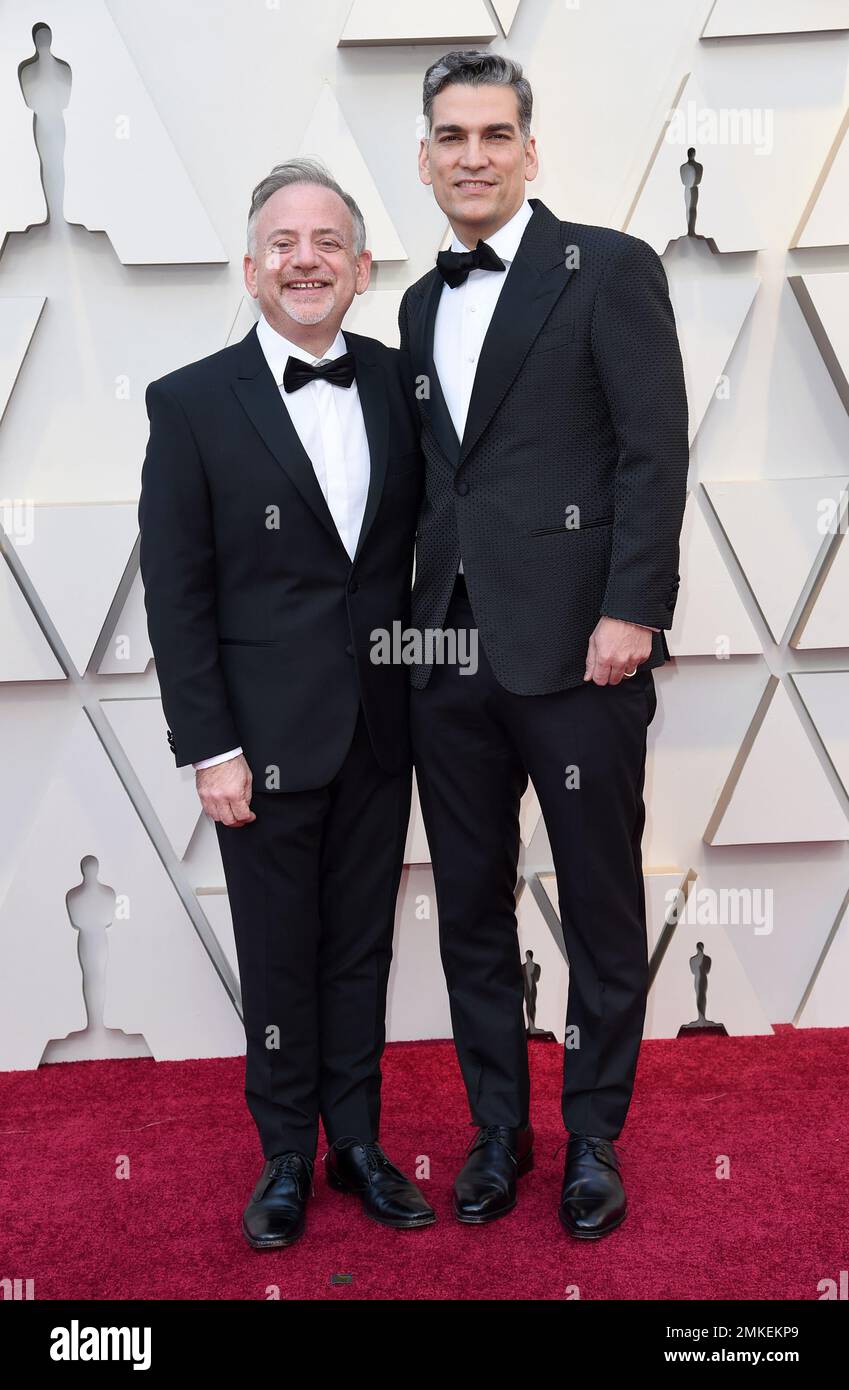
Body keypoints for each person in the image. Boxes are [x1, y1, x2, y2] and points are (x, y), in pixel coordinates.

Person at [399, 51, 689, 1238]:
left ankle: (596, 1140)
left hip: (582, 652)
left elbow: (652, 450)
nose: (474, 155)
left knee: (601, 902)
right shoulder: (419, 303)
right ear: (426, 157)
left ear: (531, 149)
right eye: (451, 136)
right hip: (449, 658)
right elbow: (439, 485)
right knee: (469, 907)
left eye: (495, 134)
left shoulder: (607, 269)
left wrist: (633, 609)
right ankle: (498, 1132)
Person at [138, 158, 434, 1249]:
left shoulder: (405, 388)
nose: (304, 260)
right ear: (252, 267)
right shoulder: (191, 401)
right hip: (257, 741)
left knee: (361, 945)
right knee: (276, 950)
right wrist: (208, 745)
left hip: (382, 728)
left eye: (326, 243)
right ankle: (281, 1156)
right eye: (282, 242)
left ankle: (355, 1140)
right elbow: (179, 593)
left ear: (360, 266)